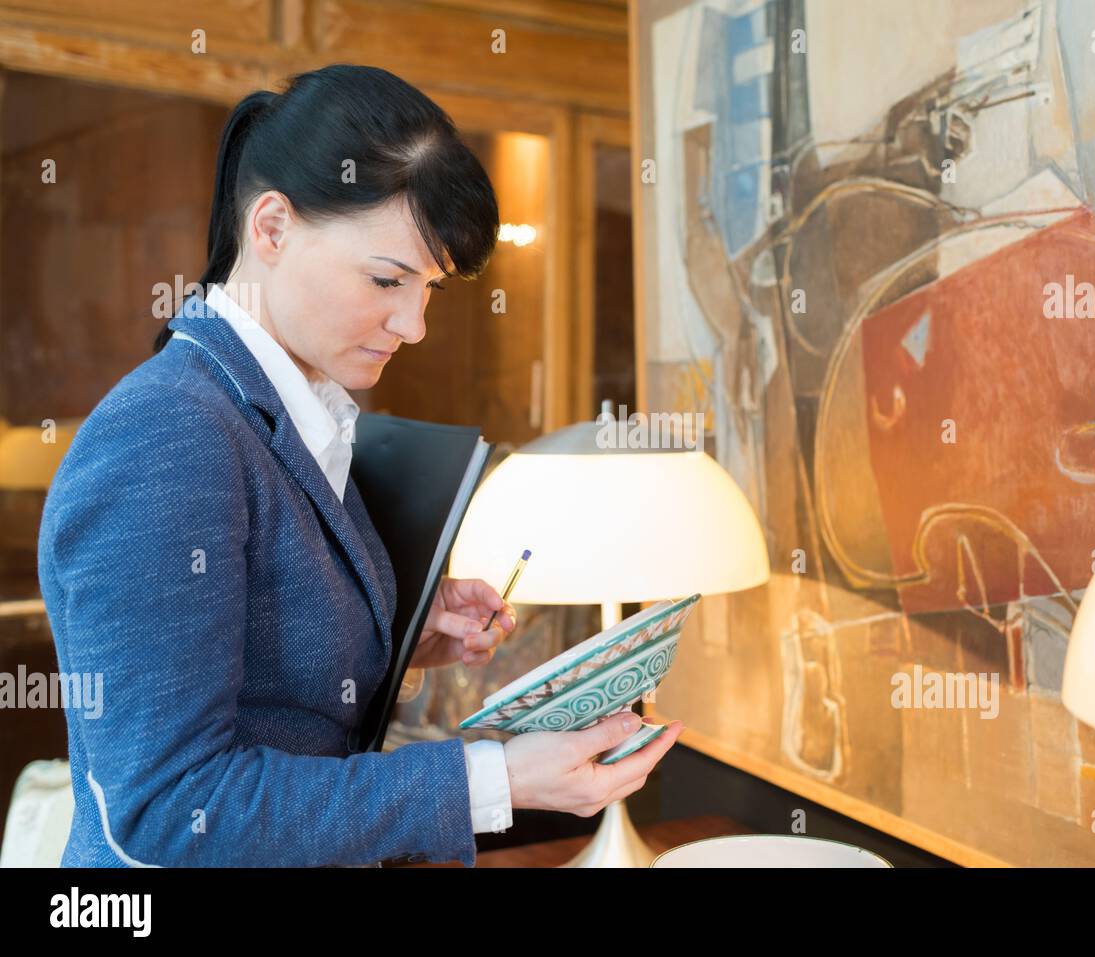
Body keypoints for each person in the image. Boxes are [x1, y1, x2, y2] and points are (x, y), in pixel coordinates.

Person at [36, 64, 682, 868]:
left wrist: (399, 636)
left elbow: (268, 681)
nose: (413, 324)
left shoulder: (299, 410)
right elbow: (172, 809)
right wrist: (495, 778)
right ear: (271, 228)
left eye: (430, 289)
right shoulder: (166, 434)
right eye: (387, 279)